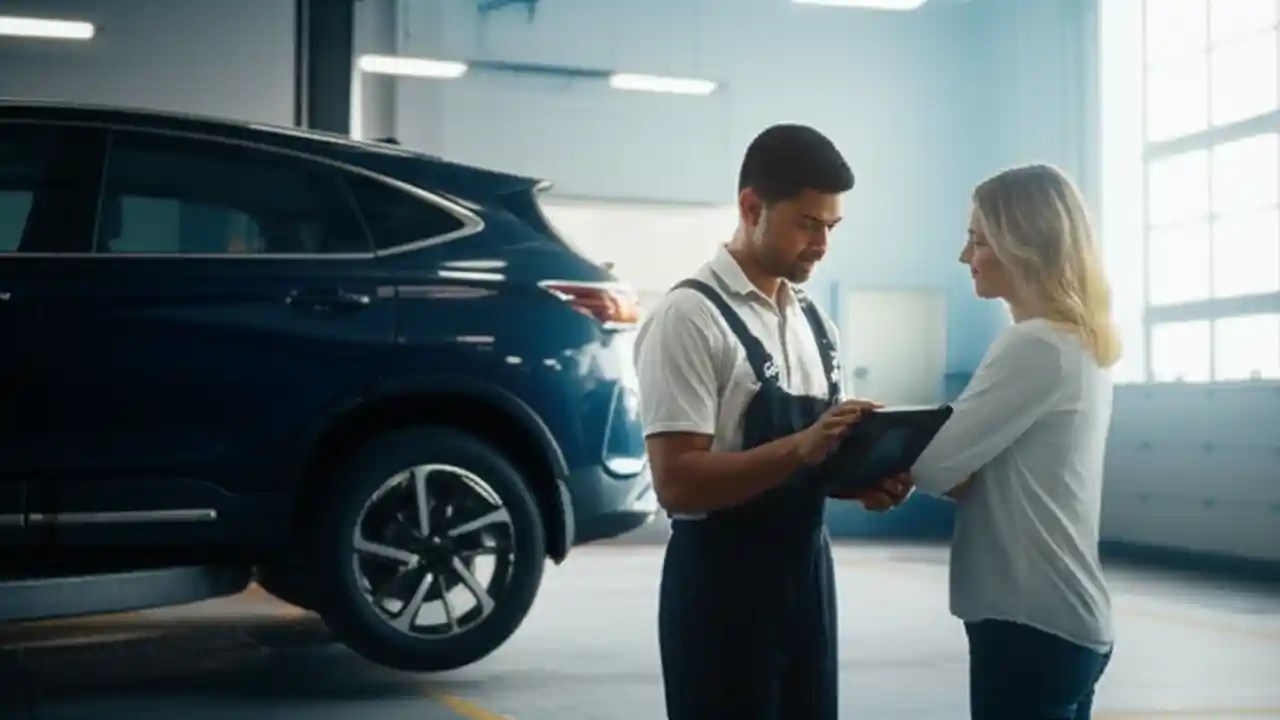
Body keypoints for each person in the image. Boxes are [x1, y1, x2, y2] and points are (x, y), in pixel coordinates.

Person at [634, 123, 911, 720]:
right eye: (808, 224)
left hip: (807, 578)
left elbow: (814, 461)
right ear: (751, 207)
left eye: (832, 228)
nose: (822, 245)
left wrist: (859, 477)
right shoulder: (688, 319)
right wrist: (801, 447)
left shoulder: (815, 324)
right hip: (720, 591)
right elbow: (677, 480)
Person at [908, 163, 1121, 720]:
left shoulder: (1033, 346)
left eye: (977, 240)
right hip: (1069, 622)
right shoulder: (1079, 343)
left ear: (1020, 245)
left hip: (1028, 622)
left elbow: (932, 468)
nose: (964, 257)